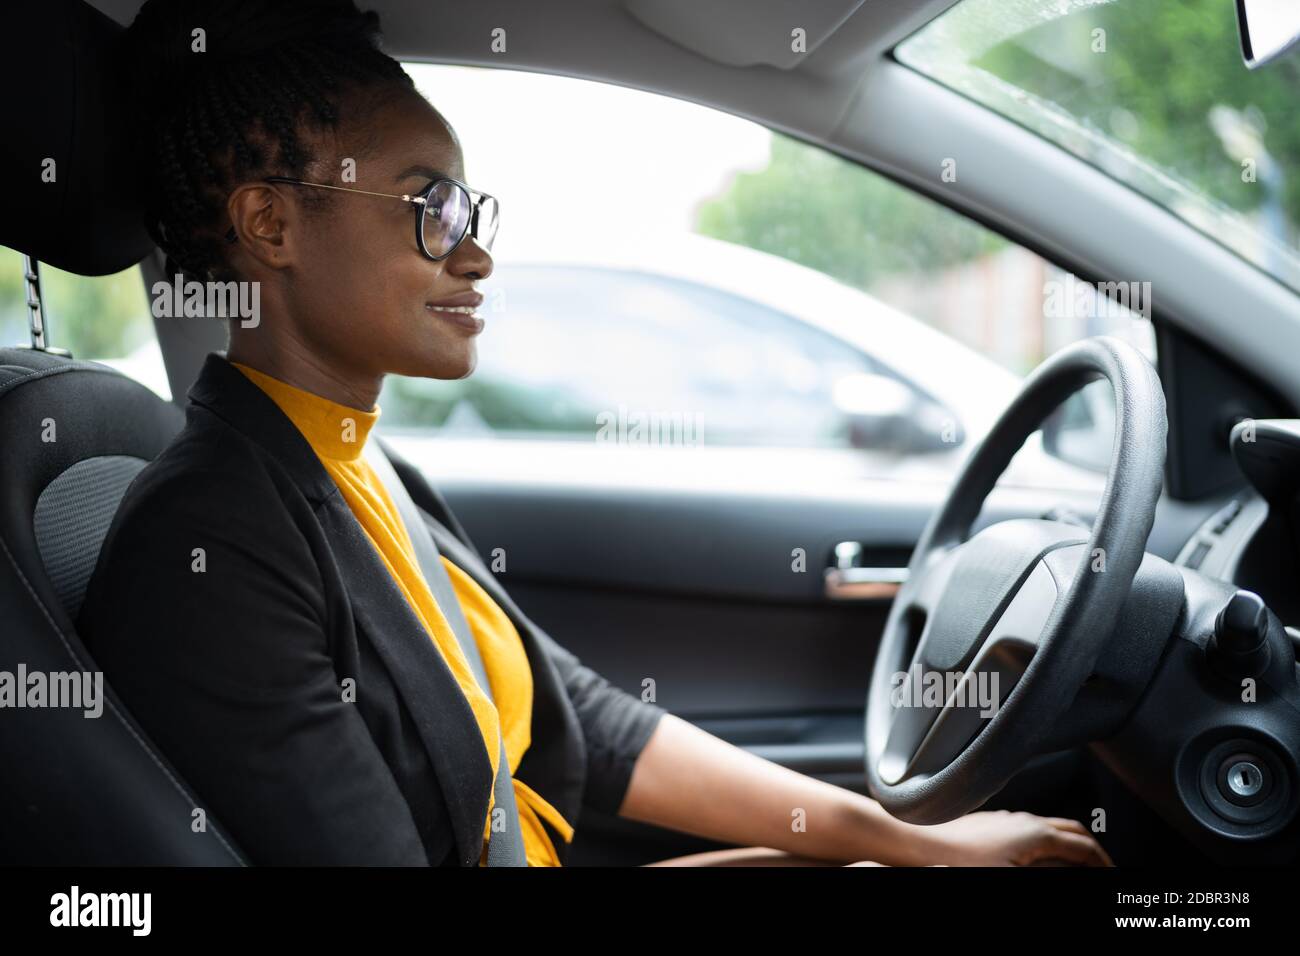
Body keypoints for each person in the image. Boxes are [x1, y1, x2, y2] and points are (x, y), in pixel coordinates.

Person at [78, 0, 1111, 868]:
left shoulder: (368, 468)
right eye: (428, 206)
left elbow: (593, 729)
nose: (475, 254)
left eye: (472, 207)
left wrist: (899, 839)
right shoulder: (212, 543)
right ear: (271, 227)